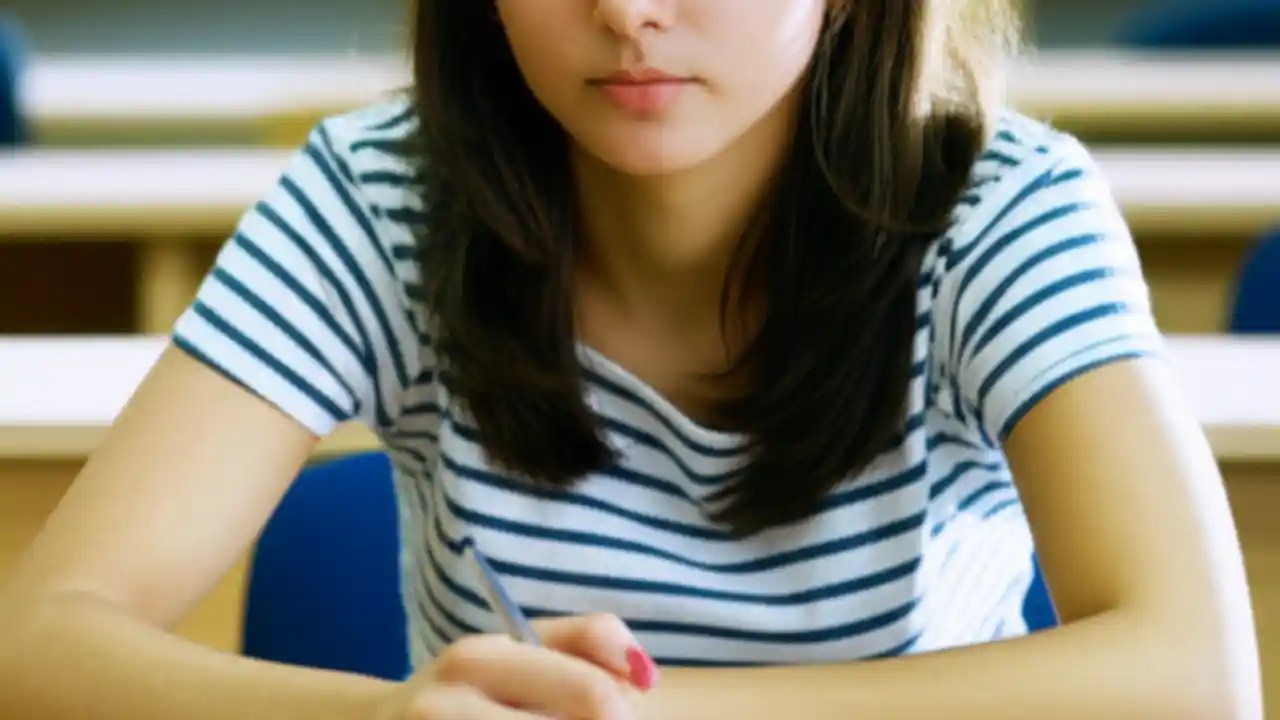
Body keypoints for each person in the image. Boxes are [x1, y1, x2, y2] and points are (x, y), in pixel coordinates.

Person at [0, 0, 1263, 718]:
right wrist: (387, 715)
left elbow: (1195, 676)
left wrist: (638, 714)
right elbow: (40, 639)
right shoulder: (380, 198)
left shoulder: (998, 208)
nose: (625, 12)